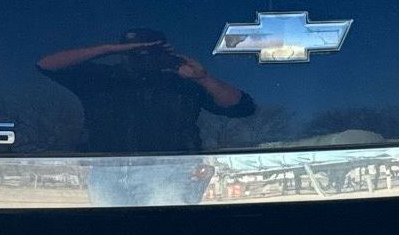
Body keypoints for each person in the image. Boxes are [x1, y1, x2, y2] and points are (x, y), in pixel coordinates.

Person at [39, 29, 255, 206]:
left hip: (173, 169)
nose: (143, 56)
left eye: (152, 51)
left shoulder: (183, 82)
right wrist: (109, 49)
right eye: (135, 51)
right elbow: (46, 65)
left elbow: (242, 106)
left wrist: (204, 78)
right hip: (106, 170)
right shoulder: (100, 78)